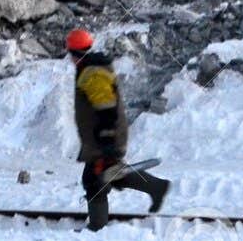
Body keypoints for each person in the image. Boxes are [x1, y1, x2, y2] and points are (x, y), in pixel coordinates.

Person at [66, 28, 170, 230]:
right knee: (111, 174)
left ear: (74, 52)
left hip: (104, 136)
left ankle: (97, 226)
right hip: (103, 136)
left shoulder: (92, 73)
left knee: (95, 180)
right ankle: (157, 187)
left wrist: (106, 138)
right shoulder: (90, 68)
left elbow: (106, 106)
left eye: (69, 52)